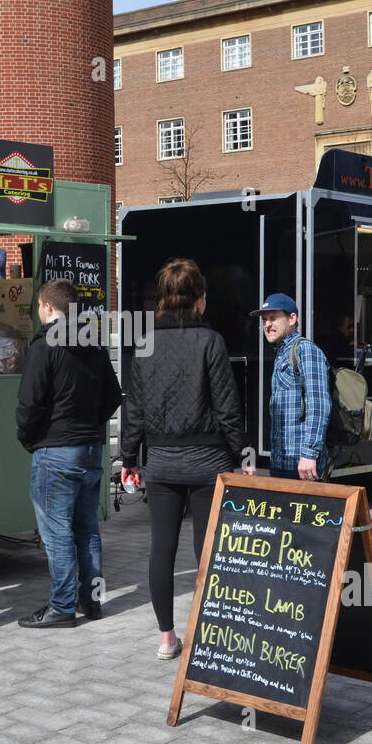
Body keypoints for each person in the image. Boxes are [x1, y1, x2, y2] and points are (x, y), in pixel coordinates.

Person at [121, 258, 246, 660]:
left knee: (162, 549)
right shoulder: (211, 342)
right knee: (207, 550)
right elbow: (227, 407)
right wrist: (241, 450)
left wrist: (128, 457)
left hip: (160, 461)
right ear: (199, 301)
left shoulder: (145, 344)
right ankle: (209, 632)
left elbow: (134, 408)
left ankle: (166, 638)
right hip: (208, 461)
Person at [15, 279, 123, 628]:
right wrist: (91, 425)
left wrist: (29, 438)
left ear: (47, 307)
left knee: (57, 532)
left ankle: (61, 606)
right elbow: (113, 396)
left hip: (56, 452)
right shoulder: (95, 345)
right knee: (87, 529)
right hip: (91, 450)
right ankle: (91, 602)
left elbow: (29, 403)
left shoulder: (44, 347)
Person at [252, 293, 331, 481]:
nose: (267, 325)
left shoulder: (306, 350)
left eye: (273, 318)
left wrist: (309, 454)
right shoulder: (281, 353)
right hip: (281, 462)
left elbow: (319, 403)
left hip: (303, 465)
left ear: (292, 318)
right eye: (264, 320)